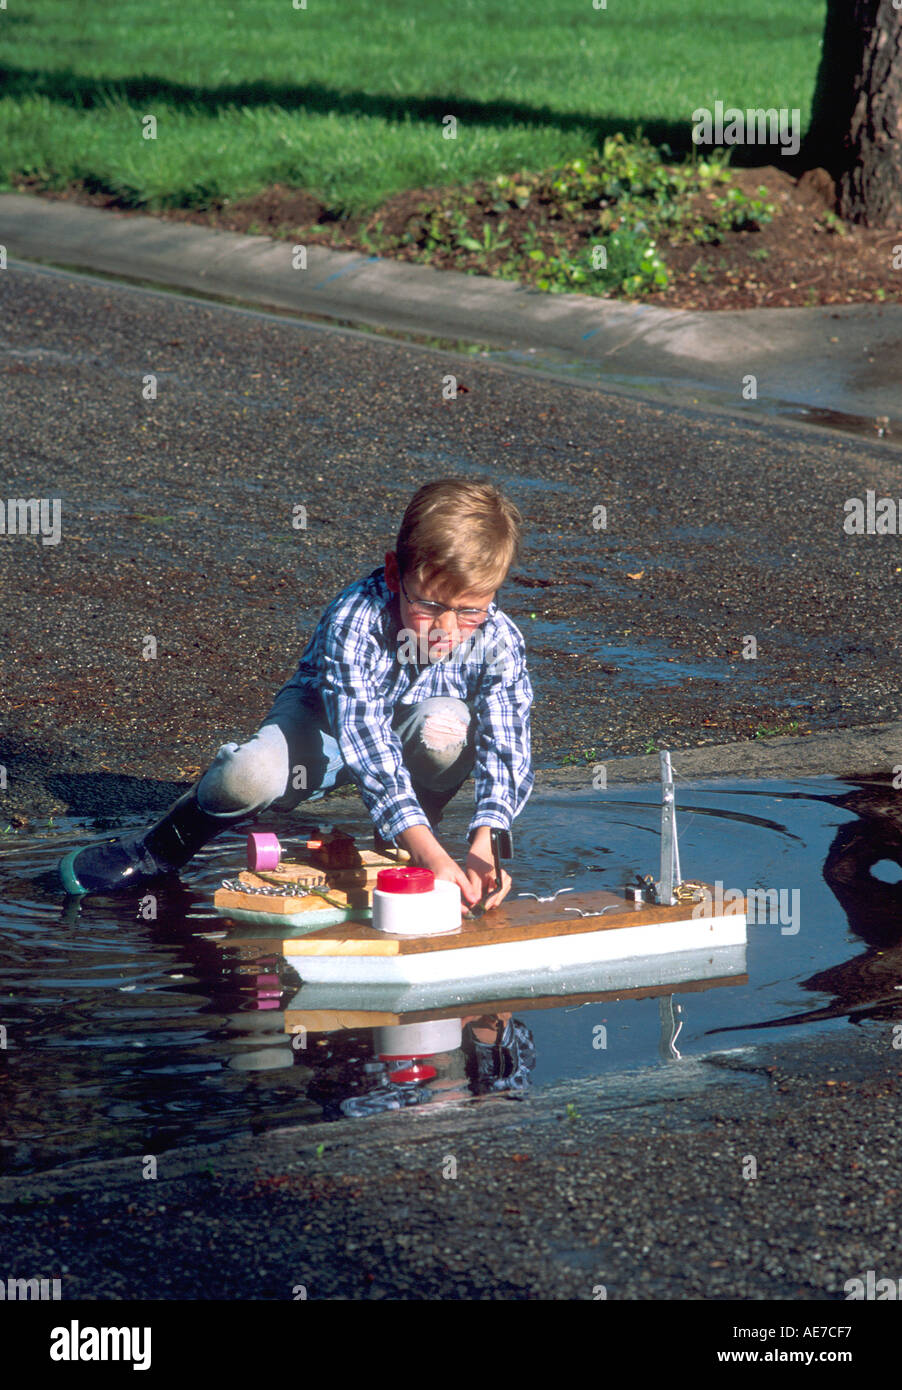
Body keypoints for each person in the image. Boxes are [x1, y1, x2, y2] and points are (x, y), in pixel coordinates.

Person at [58, 477, 534, 909]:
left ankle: (403, 843)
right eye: (430, 606)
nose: (448, 629)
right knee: (246, 776)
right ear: (394, 574)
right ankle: (160, 848)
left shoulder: (500, 639)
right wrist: (436, 853)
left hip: (411, 734)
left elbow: (507, 743)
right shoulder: (357, 617)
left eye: (470, 611)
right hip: (323, 725)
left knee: (446, 729)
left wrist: (486, 845)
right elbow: (364, 738)